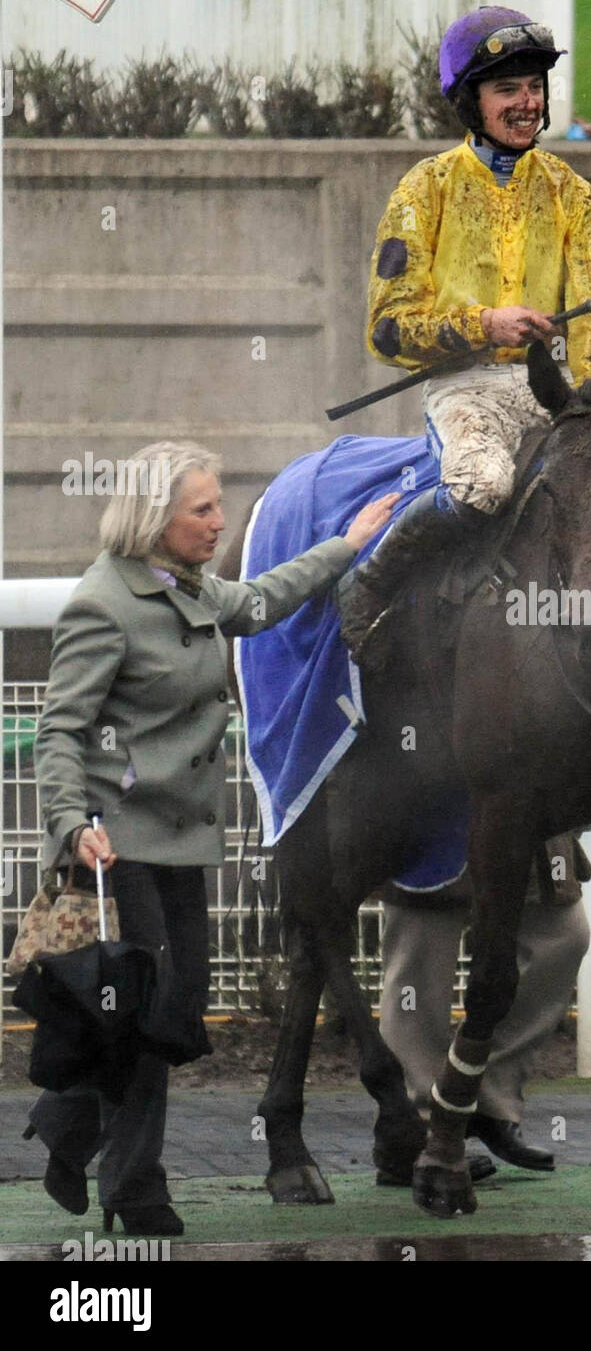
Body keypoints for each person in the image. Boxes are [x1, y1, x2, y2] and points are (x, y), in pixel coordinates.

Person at [27, 440, 394, 1237]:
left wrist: (347, 545)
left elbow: (260, 601)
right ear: (156, 519)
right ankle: (135, 1188)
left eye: (218, 506)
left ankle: (66, 1121)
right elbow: (59, 730)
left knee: (175, 1007)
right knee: (150, 1012)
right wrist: (71, 823)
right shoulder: (104, 604)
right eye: (203, 509)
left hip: (181, 842)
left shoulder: (189, 586)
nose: (220, 522)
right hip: (118, 845)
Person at [356, 4, 591, 643]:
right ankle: (370, 588)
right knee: (483, 485)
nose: (527, 103)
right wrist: (485, 325)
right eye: (508, 90)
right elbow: (386, 330)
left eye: (535, 87)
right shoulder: (423, 190)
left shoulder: (571, 192)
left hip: (565, 398)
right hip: (467, 391)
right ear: (470, 102)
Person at [377, 838, 590, 1177]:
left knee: (562, 935)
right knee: (418, 958)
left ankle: (490, 1101)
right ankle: (415, 1129)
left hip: (529, 819)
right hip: (431, 820)